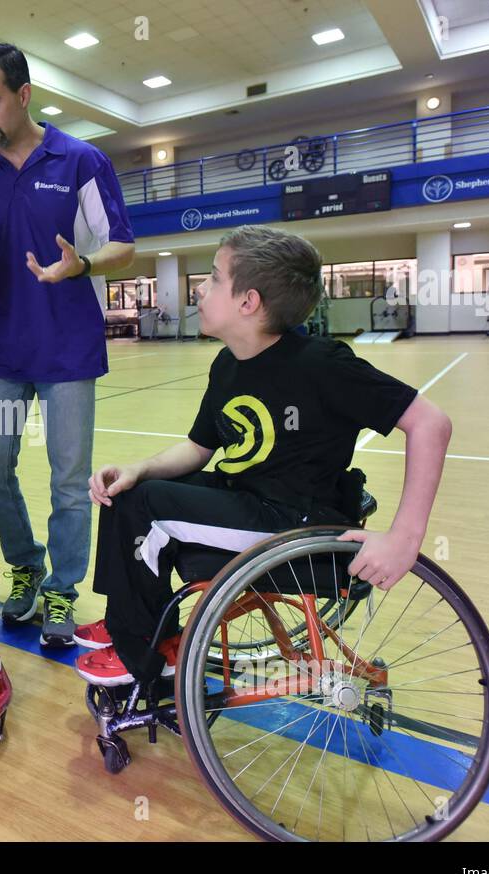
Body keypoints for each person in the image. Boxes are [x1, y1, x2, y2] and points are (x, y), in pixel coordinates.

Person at [74, 226, 452, 687]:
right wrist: (138, 468)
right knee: (128, 493)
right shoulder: (228, 364)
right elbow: (198, 449)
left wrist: (404, 538)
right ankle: (132, 622)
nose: (199, 288)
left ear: (247, 303)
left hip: (293, 519)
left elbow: (431, 423)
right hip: (244, 497)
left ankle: (145, 653)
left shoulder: (321, 364)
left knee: (148, 508)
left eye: (213, 278)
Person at [0, 43, 135, 648]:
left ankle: (62, 585)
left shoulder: (81, 161)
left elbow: (121, 246)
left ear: (24, 95)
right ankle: (25, 561)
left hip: (68, 350)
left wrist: (82, 266)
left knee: (68, 479)